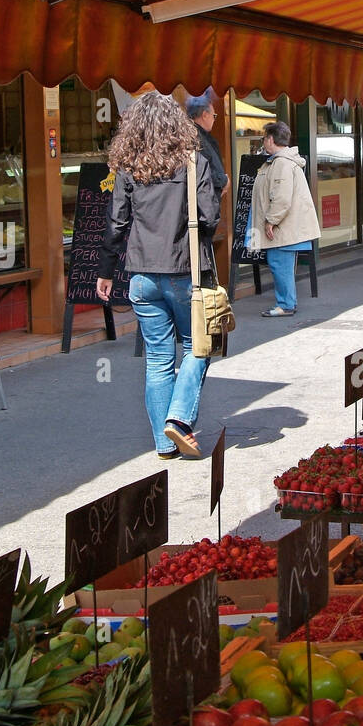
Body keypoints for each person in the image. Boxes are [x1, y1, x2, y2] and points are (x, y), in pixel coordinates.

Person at [98, 92, 218, 460]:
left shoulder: (129, 166)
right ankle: (180, 420)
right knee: (200, 345)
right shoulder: (193, 161)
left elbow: (116, 222)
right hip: (185, 273)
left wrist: (105, 272)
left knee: (157, 359)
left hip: (140, 276)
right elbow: (209, 217)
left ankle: (165, 446)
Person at [250, 120, 320, 317]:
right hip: (288, 226)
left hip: (283, 227)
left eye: (264, 138)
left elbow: (281, 197)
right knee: (282, 264)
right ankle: (287, 303)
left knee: (279, 264)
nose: (263, 142)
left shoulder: (281, 163)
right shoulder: (283, 161)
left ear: (271, 139)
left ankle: (286, 305)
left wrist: (271, 221)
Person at [186, 91, 229, 216]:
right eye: (214, 116)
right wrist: (223, 180)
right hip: (201, 211)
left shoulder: (198, 136)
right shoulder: (195, 138)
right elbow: (202, 171)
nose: (214, 119)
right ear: (205, 115)